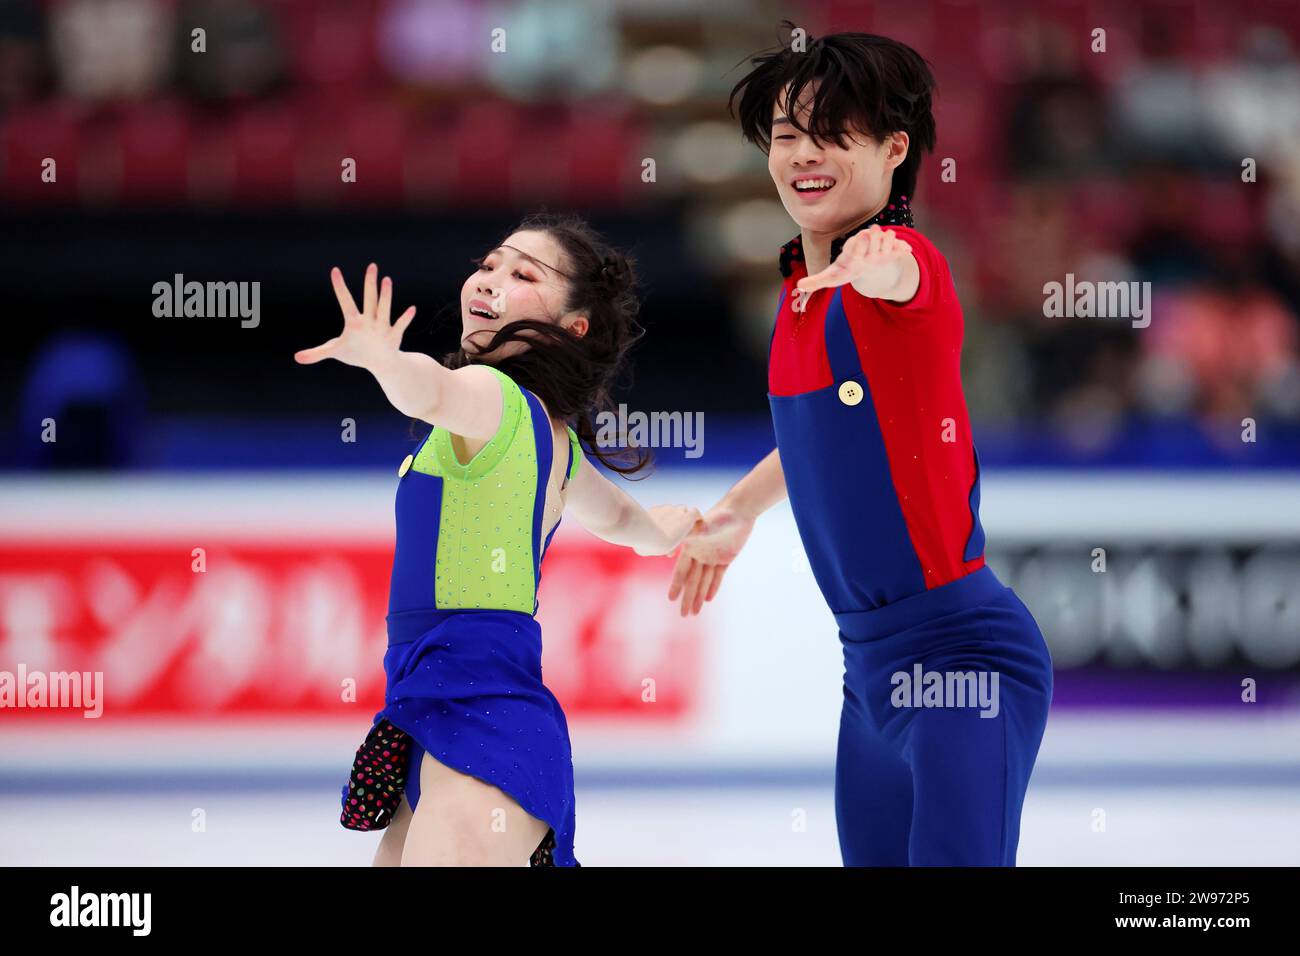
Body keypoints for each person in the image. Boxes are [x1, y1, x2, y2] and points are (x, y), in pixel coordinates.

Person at [670, 29, 1054, 866]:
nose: (804, 155)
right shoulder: (800, 300)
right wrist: (737, 510)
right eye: (786, 135)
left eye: (834, 132)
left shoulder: (904, 262)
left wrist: (874, 259)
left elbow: (899, 271)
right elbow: (823, 440)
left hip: (965, 665)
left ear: (894, 148)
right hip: (868, 680)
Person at [296, 213, 700, 866]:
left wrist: (385, 363)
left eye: (523, 273)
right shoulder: (556, 445)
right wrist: (668, 532)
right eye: (488, 264)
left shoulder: (491, 397)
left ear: (575, 326)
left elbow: (431, 390)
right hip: (453, 722)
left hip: (475, 726)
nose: (491, 278)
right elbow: (625, 521)